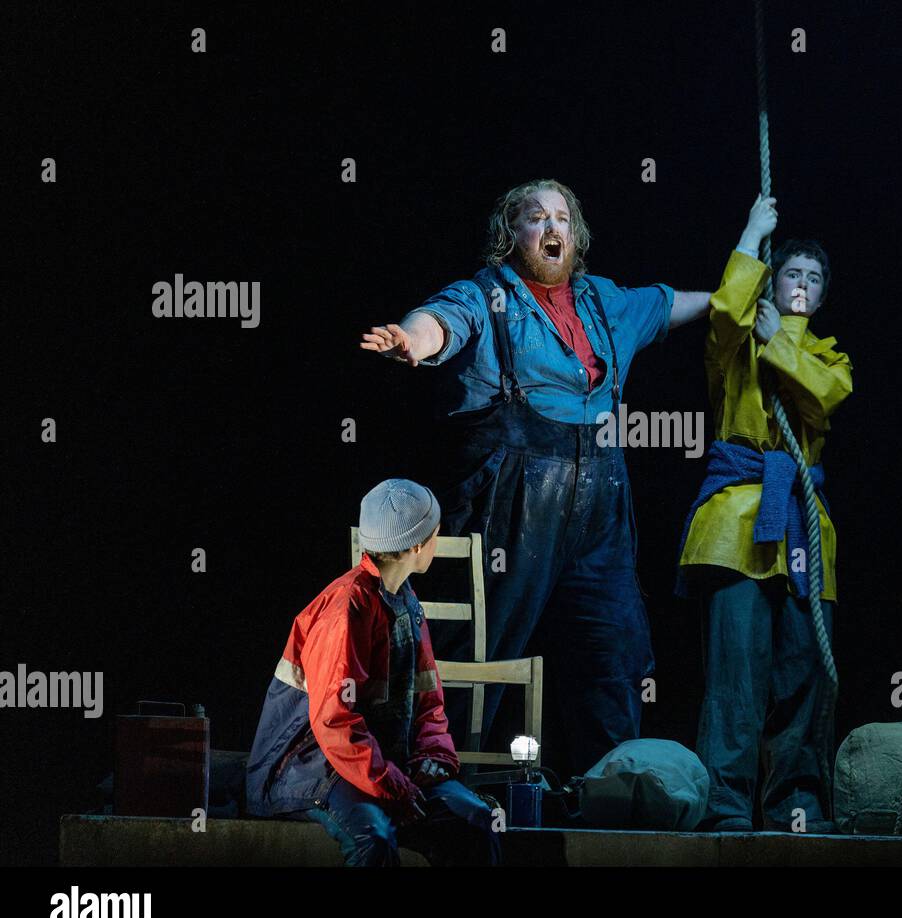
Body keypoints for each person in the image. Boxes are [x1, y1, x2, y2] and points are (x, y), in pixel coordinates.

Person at [360, 179, 712, 778]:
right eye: (535, 218)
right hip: (514, 513)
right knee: (480, 657)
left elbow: (669, 302)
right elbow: (440, 321)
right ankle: (442, 786)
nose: (552, 228)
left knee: (613, 658)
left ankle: (613, 797)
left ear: (575, 234)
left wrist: (735, 303)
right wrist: (410, 340)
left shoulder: (603, 302)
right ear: (510, 235)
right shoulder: (489, 295)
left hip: (600, 517)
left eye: (562, 217)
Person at [677, 195, 853, 832]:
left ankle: (796, 807)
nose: (801, 284)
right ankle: (724, 808)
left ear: (822, 294)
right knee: (736, 684)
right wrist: (752, 233)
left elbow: (824, 397)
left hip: (805, 532)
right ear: (772, 281)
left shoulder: (831, 360)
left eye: (813, 278)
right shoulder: (734, 347)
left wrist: (783, 339)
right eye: (790, 274)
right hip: (737, 530)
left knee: (803, 678)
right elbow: (727, 308)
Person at [245, 479, 500, 866]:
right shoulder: (345, 610)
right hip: (312, 764)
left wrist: (433, 755)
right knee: (374, 839)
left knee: (475, 820)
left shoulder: (406, 602)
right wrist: (392, 784)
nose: (437, 539)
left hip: (376, 761)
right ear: (416, 545)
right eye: (434, 533)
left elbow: (428, 701)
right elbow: (334, 721)